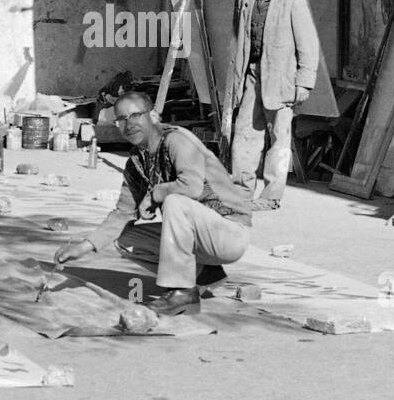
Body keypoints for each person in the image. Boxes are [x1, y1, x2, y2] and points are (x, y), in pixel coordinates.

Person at [53, 91, 251, 316]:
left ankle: (182, 292)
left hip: (230, 233)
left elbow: (192, 187)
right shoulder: (136, 162)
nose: (129, 124)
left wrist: (157, 192)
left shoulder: (178, 140)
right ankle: (205, 273)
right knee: (126, 239)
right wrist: (84, 246)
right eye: (121, 119)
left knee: (174, 201)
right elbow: (122, 214)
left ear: (154, 116)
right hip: (203, 237)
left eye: (135, 115)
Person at [227, 0, 320, 211]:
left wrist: (304, 82)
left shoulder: (294, 2)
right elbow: (239, 42)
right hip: (252, 76)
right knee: (244, 134)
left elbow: (308, 46)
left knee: (279, 140)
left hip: (282, 80)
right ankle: (241, 192)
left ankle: (270, 197)